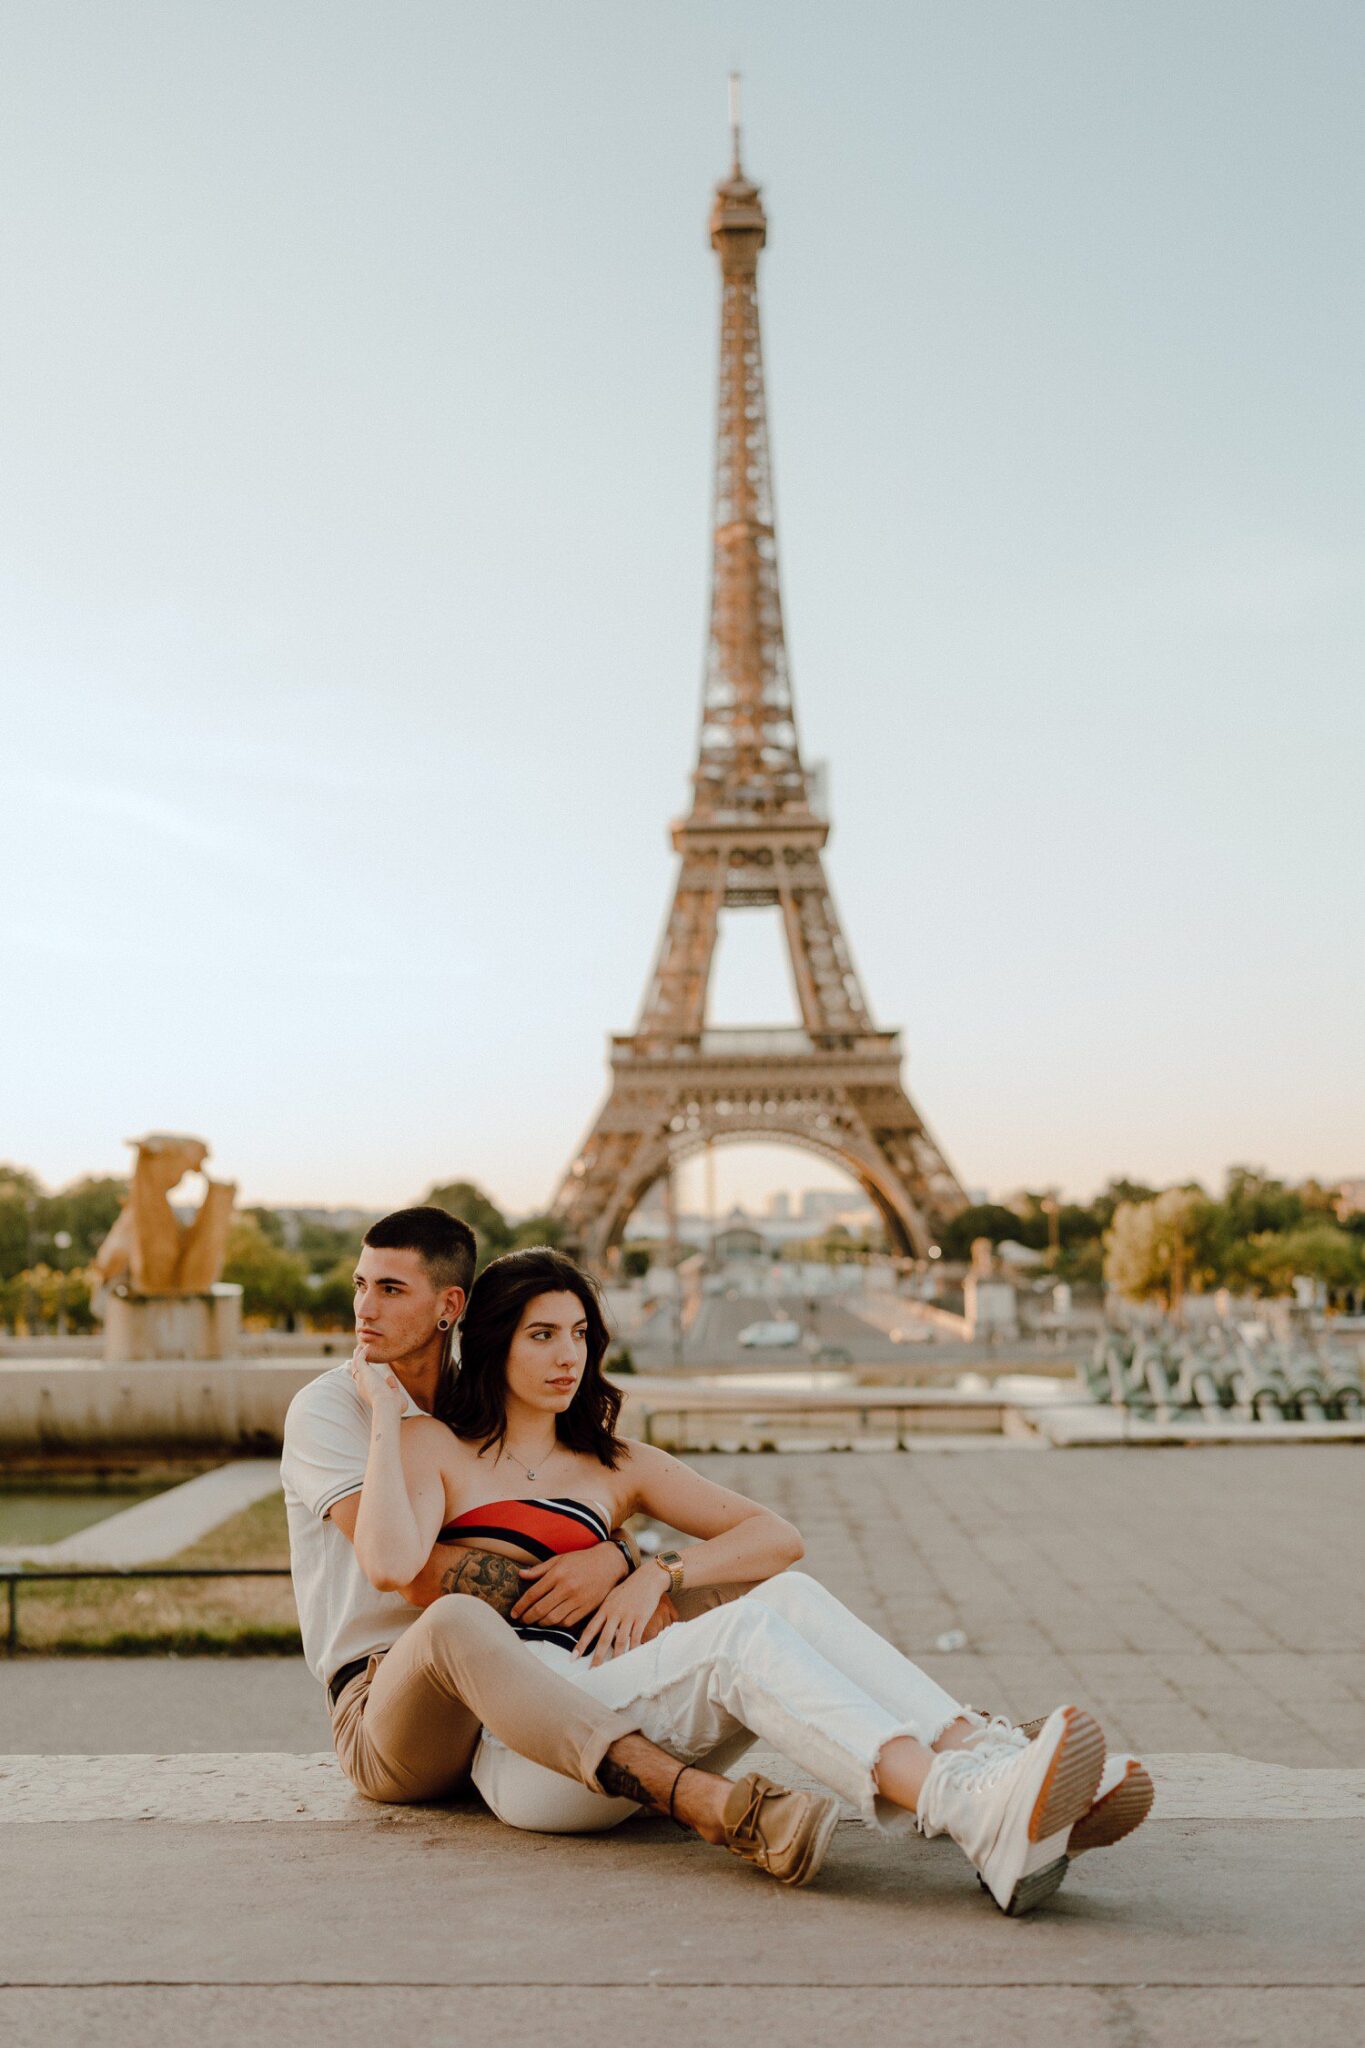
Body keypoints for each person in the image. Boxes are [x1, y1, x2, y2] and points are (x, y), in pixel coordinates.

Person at [348, 1241, 1153, 1914]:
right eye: (541, 1335)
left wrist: (652, 1570)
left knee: (785, 1598)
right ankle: (967, 1807)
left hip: (626, 1697)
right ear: (493, 1340)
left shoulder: (614, 1464)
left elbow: (778, 1538)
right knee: (740, 1635)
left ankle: (990, 1769)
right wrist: (386, 1417)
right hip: (533, 1758)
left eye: (580, 1334)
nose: (568, 1356)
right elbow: (388, 1564)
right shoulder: (435, 1451)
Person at [282, 1206, 841, 1886]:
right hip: (392, 1699)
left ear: (448, 1306)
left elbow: (563, 1505)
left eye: (390, 1289)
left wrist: (628, 1564)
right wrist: (388, 1422)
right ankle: (701, 1801)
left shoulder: (484, 1390)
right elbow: (413, 1576)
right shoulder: (333, 1408)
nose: (363, 1308)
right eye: (359, 1284)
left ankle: (942, 1746)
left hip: (519, 1682)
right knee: (457, 1619)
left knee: (753, 1599)